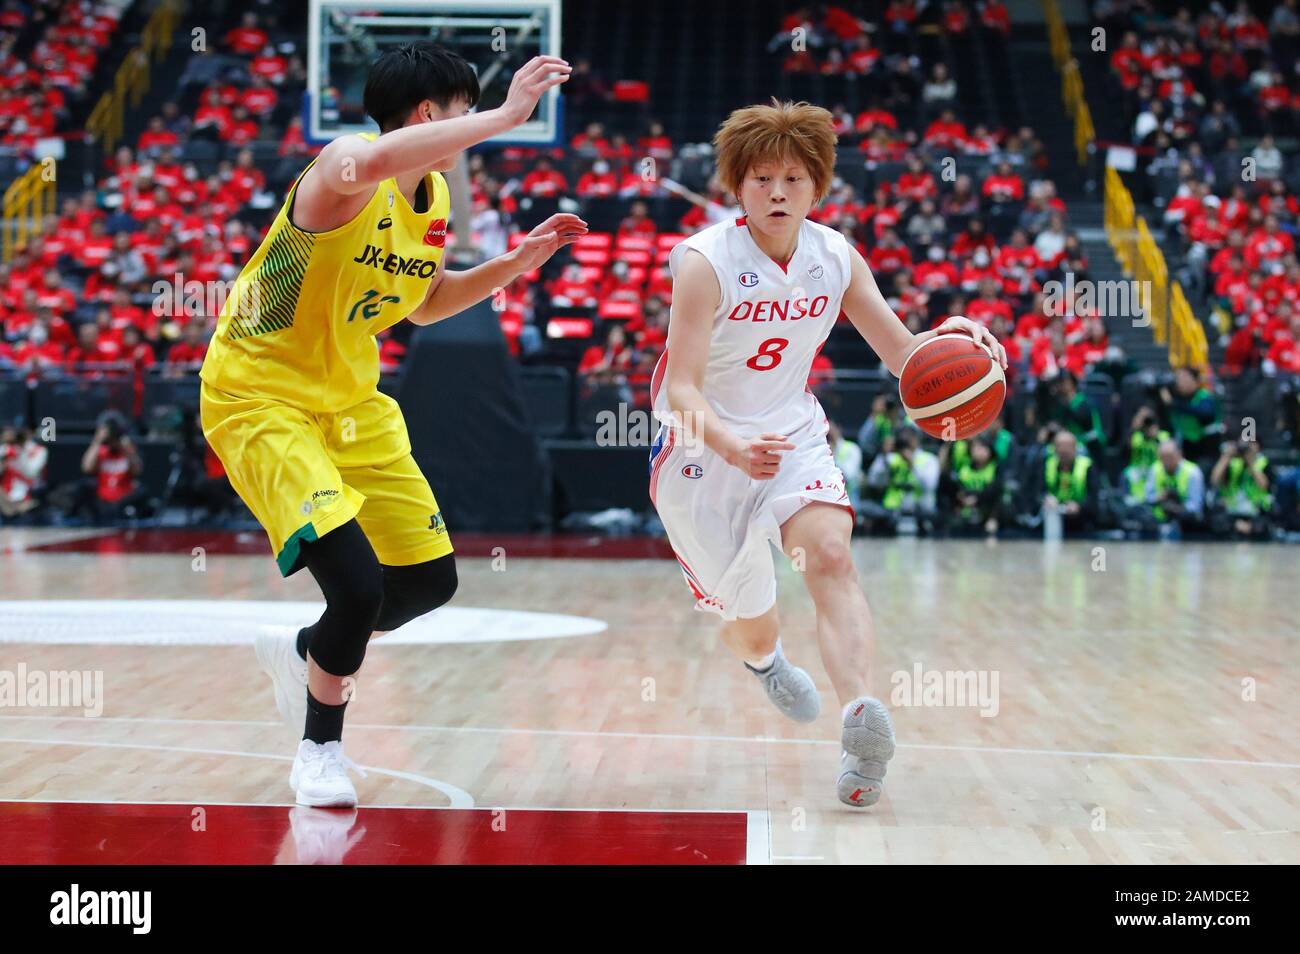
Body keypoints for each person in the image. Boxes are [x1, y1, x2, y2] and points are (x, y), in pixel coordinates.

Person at [198, 45, 583, 808]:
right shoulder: (344, 165)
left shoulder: (431, 199)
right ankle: (319, 752)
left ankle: (309, 652)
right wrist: (506, 116)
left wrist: (517, 262)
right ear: (427, 114)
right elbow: (368, 162)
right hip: (260, 395)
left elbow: (426, 301)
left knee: (429, 581)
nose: (473, 123)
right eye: (464, 109)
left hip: (349, 403)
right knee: (357, 585)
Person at [649, 100, 1006, 808]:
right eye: (760, 180)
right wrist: (728, 440)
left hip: (791, 435)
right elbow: (680, 386)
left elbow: (905, 357)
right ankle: (765, 660)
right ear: (736, 187)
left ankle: (860, 722)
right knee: (747, 623)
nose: (776, 193)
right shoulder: (702, 263)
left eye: (791, 179)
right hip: (700, 452)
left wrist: (957, 338)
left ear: (817, 185)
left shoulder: (835, 257)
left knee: (832, 554)